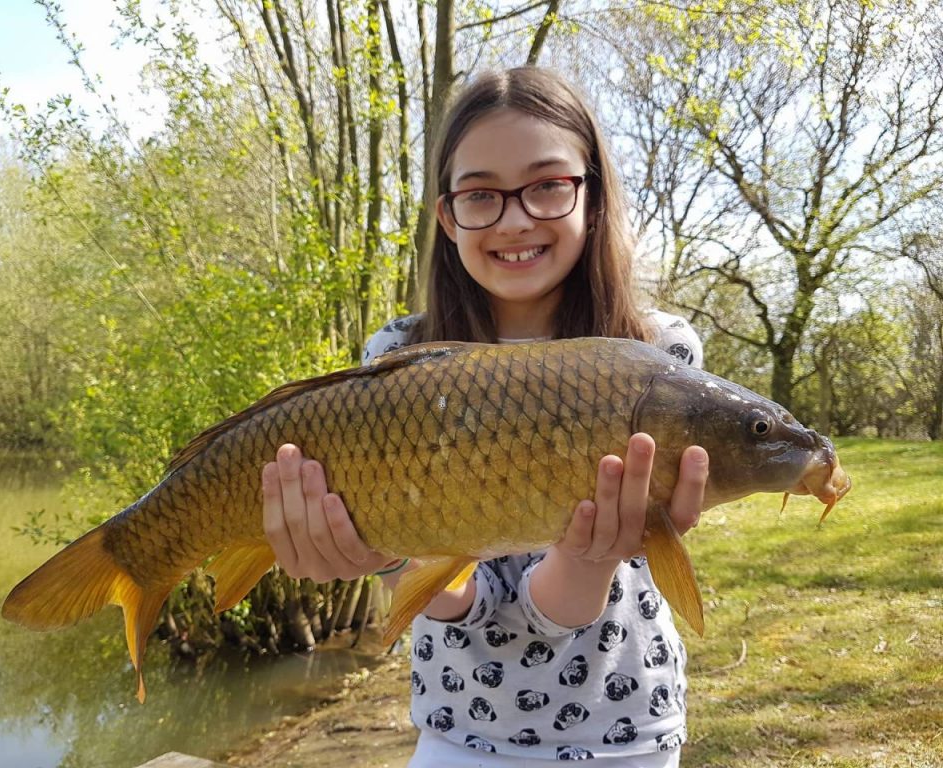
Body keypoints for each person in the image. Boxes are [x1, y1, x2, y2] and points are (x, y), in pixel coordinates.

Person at [260, 66, 710, 767]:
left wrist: (589, 561)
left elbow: (562, 603)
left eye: (546, 185)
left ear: (592, 196)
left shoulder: (658, 354)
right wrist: (381, 556)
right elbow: (450, 596)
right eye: (480, 195)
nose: (515, 218)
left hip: (623, 727)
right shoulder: (395, 357)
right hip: (459, 727)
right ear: (447, 216)